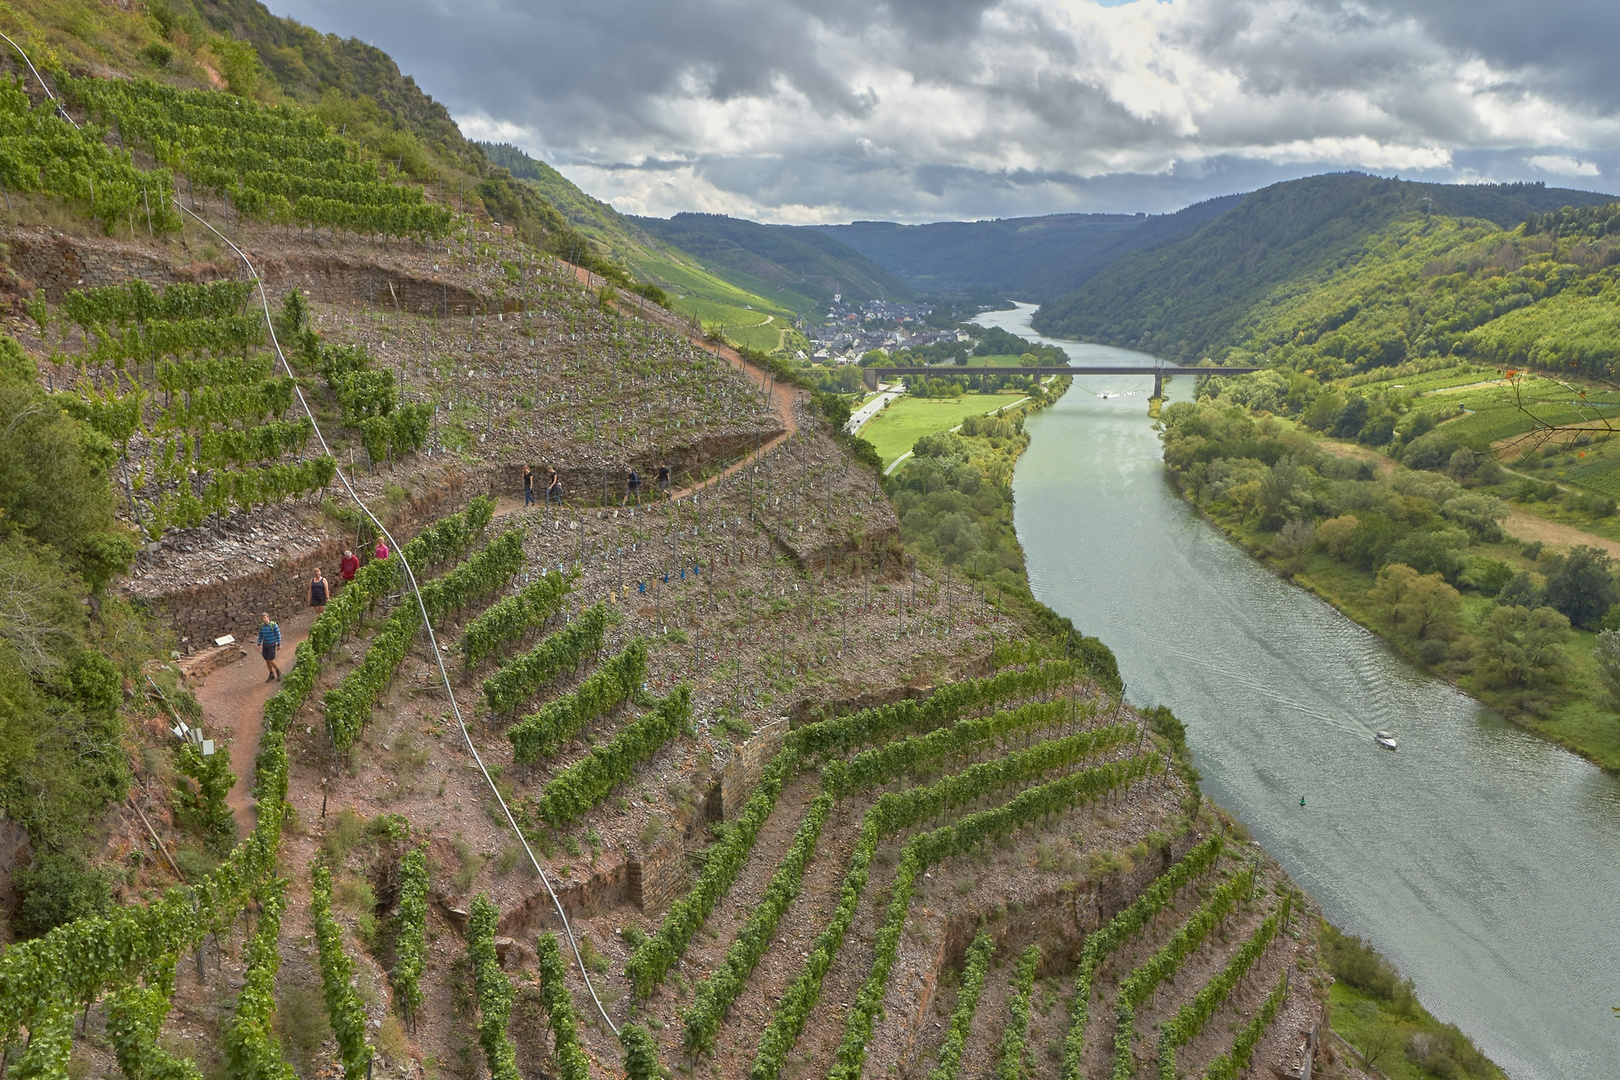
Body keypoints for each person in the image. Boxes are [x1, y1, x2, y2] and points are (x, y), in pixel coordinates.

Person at [257, 612, 282, 682]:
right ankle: (271, 674)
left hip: (271, 644)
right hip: (265, 644)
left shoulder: (273, 625)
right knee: (267, 660)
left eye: (265, 618)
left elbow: (278, 635)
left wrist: (278, 644)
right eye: (263, 618)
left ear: (268, 617)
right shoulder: (262, 626)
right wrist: (258, 643)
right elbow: (260, 635)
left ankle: (278, 672)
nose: (264, 620)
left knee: (271, 660)